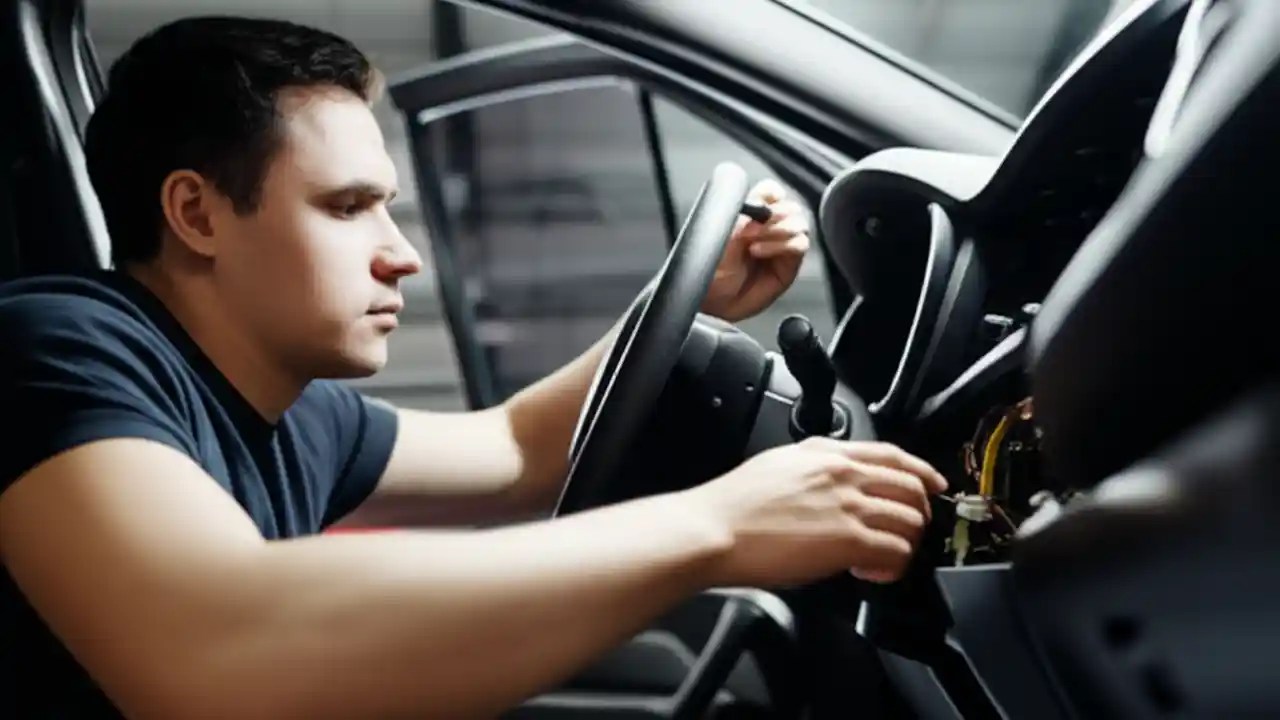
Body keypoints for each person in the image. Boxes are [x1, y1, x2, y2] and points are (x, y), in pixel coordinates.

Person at [0, 16, 947, 719]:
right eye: (346, 208)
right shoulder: (56, 346)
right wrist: (721, 525)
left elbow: (517, 448)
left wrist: (684, 296)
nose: (400, 254)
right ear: (197, 215)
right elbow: (213, 652)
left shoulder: (290, 412)